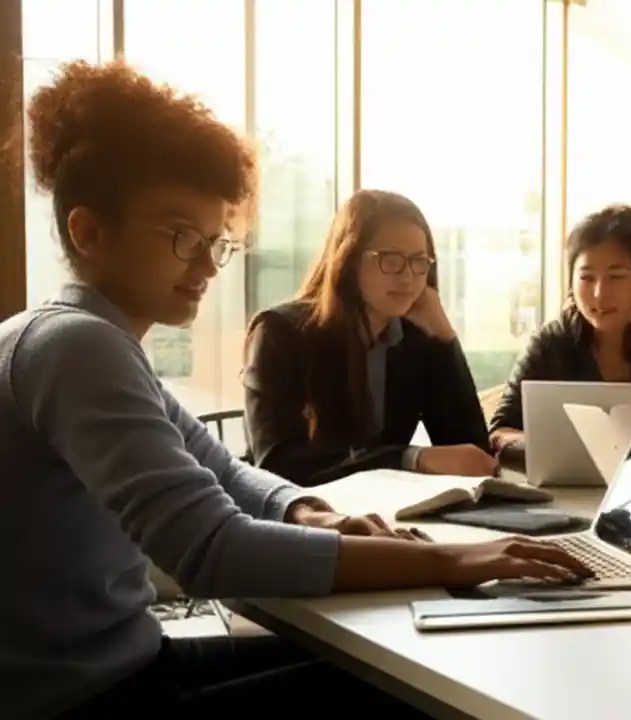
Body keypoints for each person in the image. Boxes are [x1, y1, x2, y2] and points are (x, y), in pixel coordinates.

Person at [0, 60, 588, 717]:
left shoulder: (91, 341)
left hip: (128, 664)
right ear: (89, 232)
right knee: (410, 686)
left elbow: (225, 470)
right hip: (84, 697)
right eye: (182, 237)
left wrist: (309, 511)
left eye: (215, 240)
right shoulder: (75, 347)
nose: (207, 265)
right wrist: (453, 561)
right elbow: (211, 550)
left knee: (383, 663)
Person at [243, 189, 496, 487]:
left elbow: (474, 456)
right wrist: (409, 459)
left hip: (387, 508)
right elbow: (279, 466)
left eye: (419, 261)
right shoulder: (280, 333)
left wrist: (445, 338)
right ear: (348, 259)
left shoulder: (415, 339)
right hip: (303, 509)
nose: (408, 276)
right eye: (391, 259)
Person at [488, 204, 631, 453]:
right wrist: (553, 448)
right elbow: (500, 432)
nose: (599, 294)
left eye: (616, 277)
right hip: (566, 476)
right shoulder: (551, 343)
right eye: (586, 278)